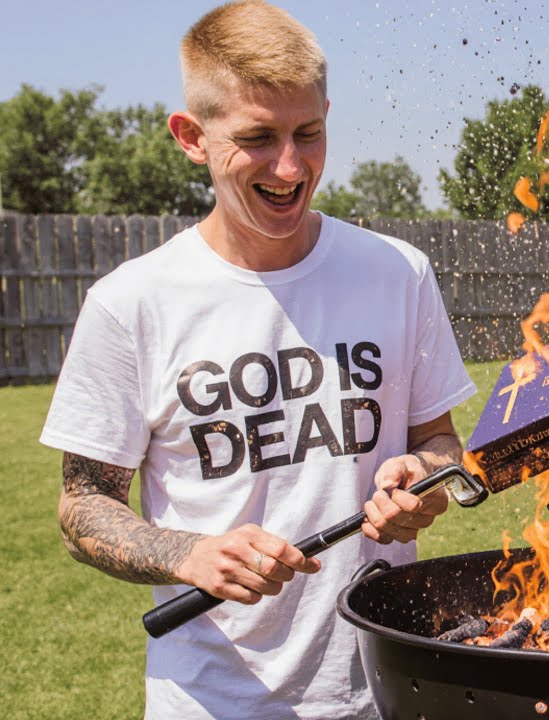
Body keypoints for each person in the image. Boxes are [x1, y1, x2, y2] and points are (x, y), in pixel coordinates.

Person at [39, 2, 476, 718]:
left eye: (309, 133)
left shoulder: (398, 273)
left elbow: (438, 442)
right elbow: (83, 506)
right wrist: (189, 554)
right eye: (257, 138)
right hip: (213, 699)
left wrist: (422, 482)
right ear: (191, 137)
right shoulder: (132, 303)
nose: (291, 166)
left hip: (383, 689)